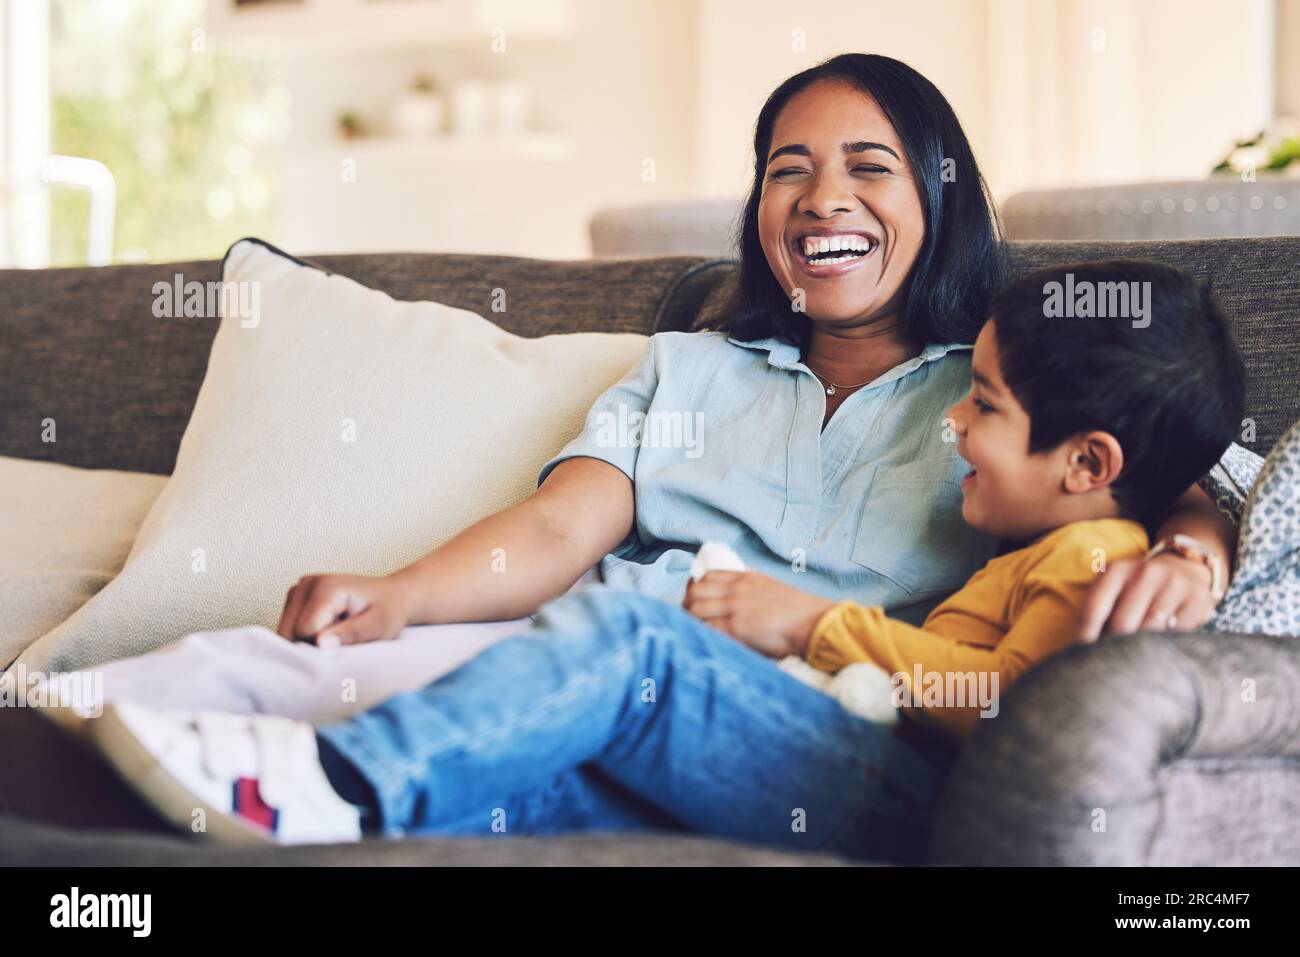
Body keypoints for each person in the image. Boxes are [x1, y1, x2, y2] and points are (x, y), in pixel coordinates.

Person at [78, 257, 1271, 861]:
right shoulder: (1061, 534)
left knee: (633, 643)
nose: (956, 424)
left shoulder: (1098, 556)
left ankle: (332, 785)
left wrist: (807, 623)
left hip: (905, 793)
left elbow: (1005, 712)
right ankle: (304, 807)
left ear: (1087, 461)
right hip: (833, 753)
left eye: (989, 410)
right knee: (559, 769)